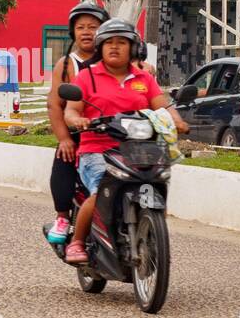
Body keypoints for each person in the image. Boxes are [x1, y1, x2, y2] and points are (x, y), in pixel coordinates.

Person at [60, 18, 189, 265]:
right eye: (109, 42)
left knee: (155, 183)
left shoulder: (144, 79)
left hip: (141, 149)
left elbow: (164, 107)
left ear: (133, 48)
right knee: (99, 191)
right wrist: (78, 120)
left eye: (121, 42)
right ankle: (77, 241)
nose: (115, 47)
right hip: (97, 149)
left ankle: (149, 229)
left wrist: (178, 122)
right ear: (100, 47)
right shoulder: (87, 77)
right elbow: (71, 111)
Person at [45, 0, 106, 243]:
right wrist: (64, 138)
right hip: (78, 132)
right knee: (64, 159)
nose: (87, 32)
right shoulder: (67, 64)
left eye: (93, 27)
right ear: (73, 32)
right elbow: (54, 105)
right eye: (81, 27)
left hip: (112, 130)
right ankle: (62, 217)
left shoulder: (114, 59)